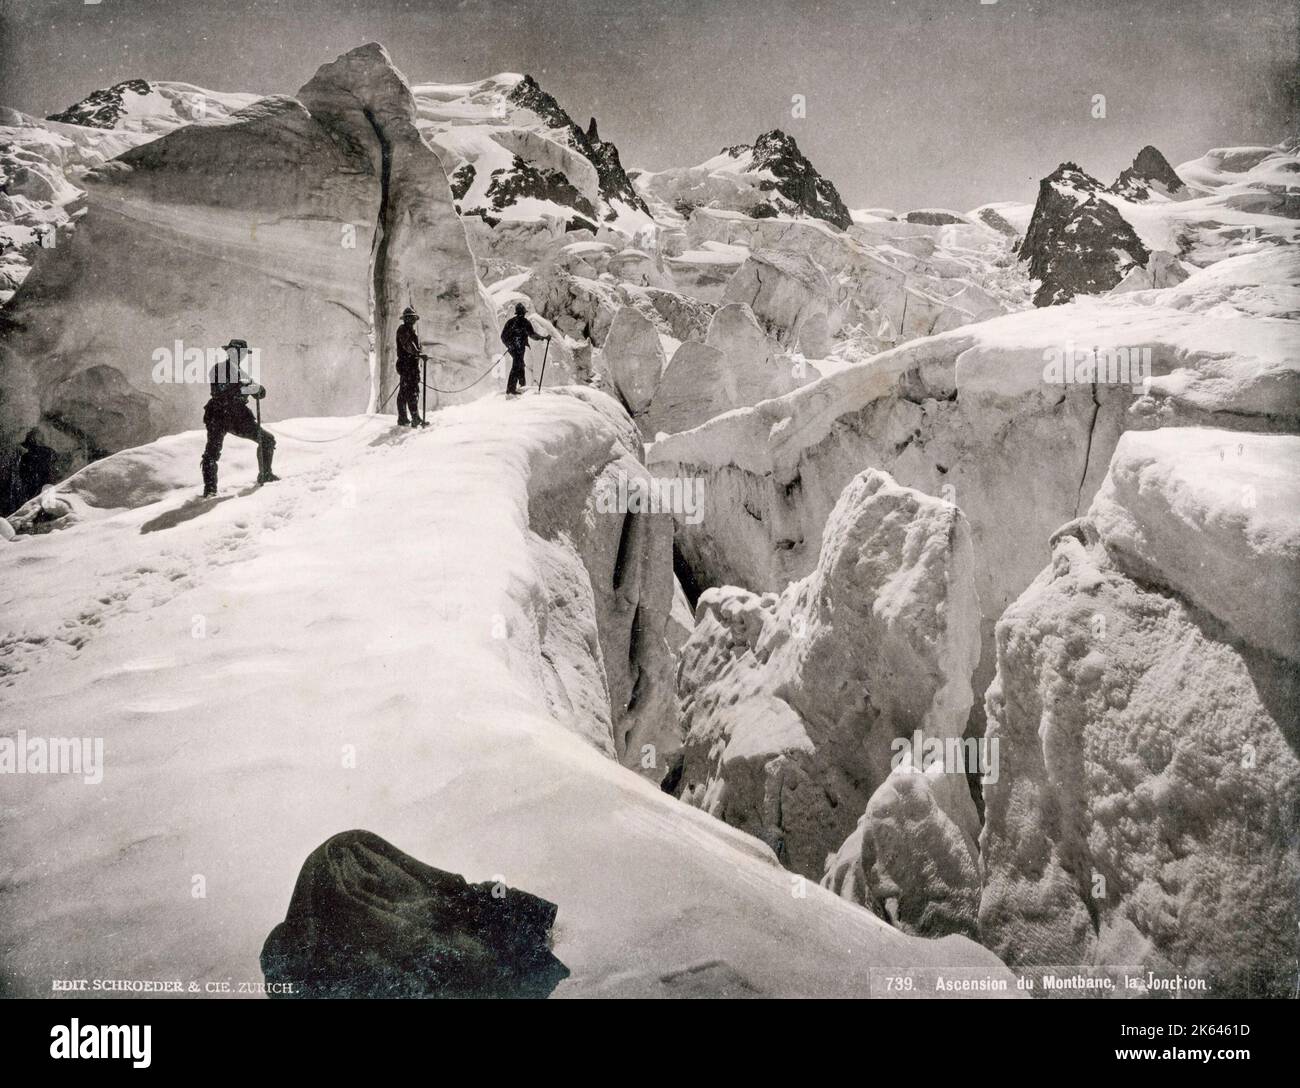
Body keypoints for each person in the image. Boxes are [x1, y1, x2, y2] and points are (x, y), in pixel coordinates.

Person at [200, 338, 277, 496]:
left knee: (267, 440)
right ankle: (210, 489)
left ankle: (265, 474)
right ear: (229, 352)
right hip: (218, 415)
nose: (240, 356)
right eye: (236, 352)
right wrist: (245, 390)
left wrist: (258, 390)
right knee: (212, 452)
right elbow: (219, 392)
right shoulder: (219, 369)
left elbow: (260, 392)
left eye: (241, 353)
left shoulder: (242, 373)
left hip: (238, 417)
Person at [500, 302, 549, 396]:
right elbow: (532, 335)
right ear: (523, 312)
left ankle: (522, 386)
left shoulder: (510, 322)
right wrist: (543, 338)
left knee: (520, 365)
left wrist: (509, 345)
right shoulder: (525, 322)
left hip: (514, 348)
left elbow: (503, 336)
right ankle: (511, 389)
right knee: (516, 366)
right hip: (518, 348)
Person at [396, 306, 427, 426]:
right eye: (410, 318)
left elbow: (414, 346)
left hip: (411, 366)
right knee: (408, 392)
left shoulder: (410, 330)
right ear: (406, 319)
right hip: (406, 365)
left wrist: (419, 353)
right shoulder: (403, 330)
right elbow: (408, 345)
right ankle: (408, 418)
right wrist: (418, 353)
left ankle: (411, 417)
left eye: (413, 318)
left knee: (409, 391)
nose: (413, 320)